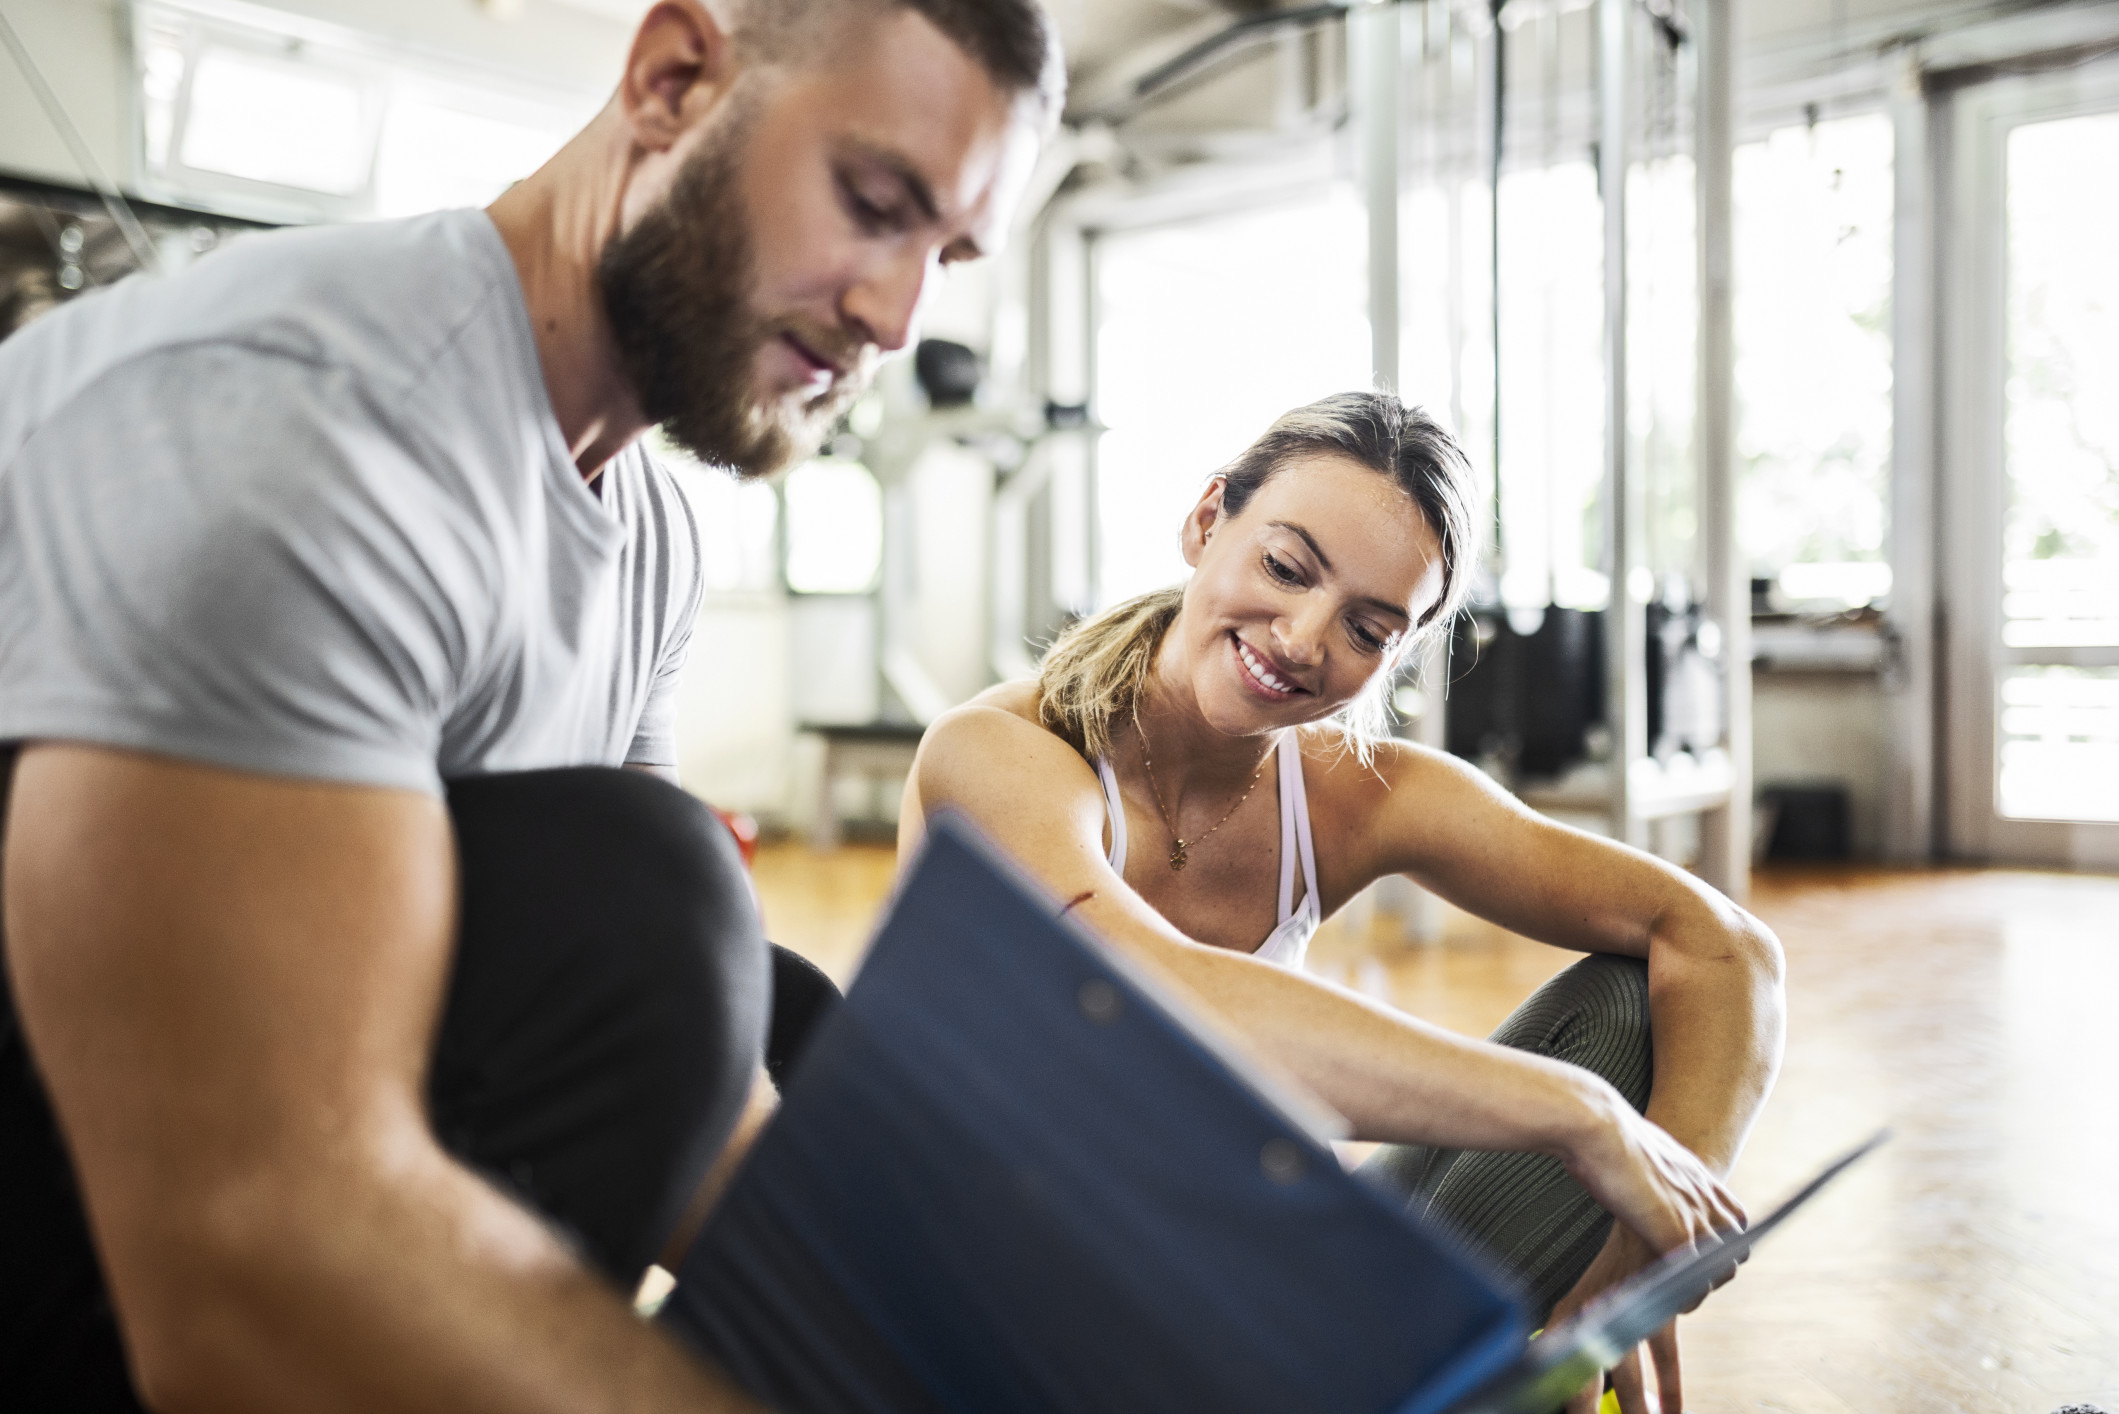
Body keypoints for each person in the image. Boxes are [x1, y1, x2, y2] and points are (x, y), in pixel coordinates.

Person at [0, 0, 1058, 1408]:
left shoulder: (652, 524)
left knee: (803, 1031)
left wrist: (954, 1342)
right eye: (873, 207)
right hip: (137, 1204)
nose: (892, 315)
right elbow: (233, 1257)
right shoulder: (313, 431)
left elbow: (708, 1054)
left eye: (948, 257)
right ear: (672, 81)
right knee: (654, 906)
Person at [902, 391, 1786, 1414]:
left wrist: (1651, 1242)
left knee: (1631, 1003)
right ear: (1206, 522)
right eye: (1285, 567)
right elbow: (1155, 1001)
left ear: (1395, 654)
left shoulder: (1354, 792)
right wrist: (1579, 1117)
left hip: (1254, 1277)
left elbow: (1725, 947)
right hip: (1008, 1309)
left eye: (1368, 627)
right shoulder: (1002, 752)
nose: (1302, 638)